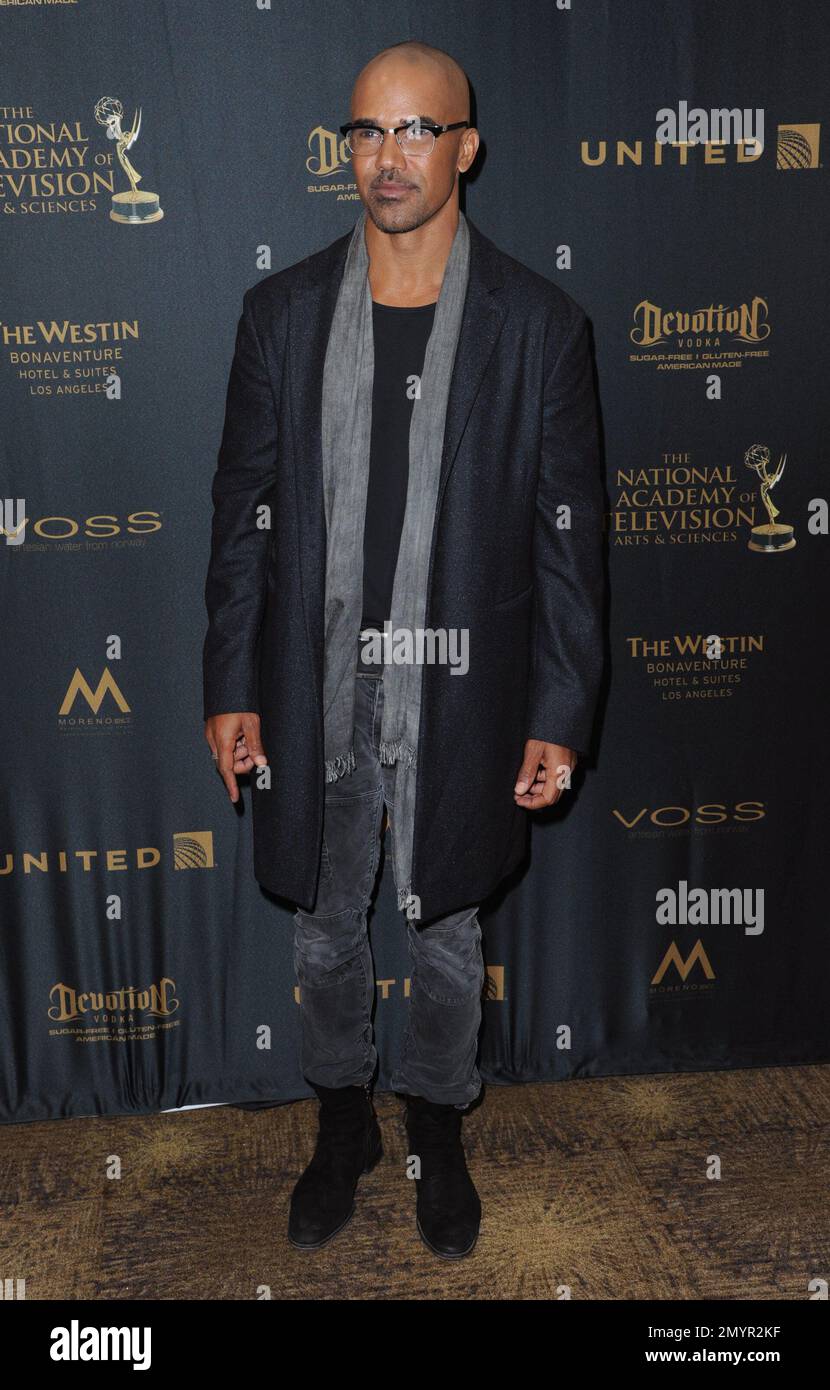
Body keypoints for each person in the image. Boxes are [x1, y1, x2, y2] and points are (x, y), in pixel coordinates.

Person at [203, 39, 604, 1260]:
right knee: (323, 928)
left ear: (464, 148)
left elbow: (566, 544)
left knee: (443, 931)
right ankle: (342, 1127)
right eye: (367, 131)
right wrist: (229, 683)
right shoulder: (279, 316)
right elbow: (241, 514)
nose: (388, 157)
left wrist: (557, 711)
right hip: (312, 677)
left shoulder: (538, 325)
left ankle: (434, 1127)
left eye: (416, 130)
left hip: (463, 682)